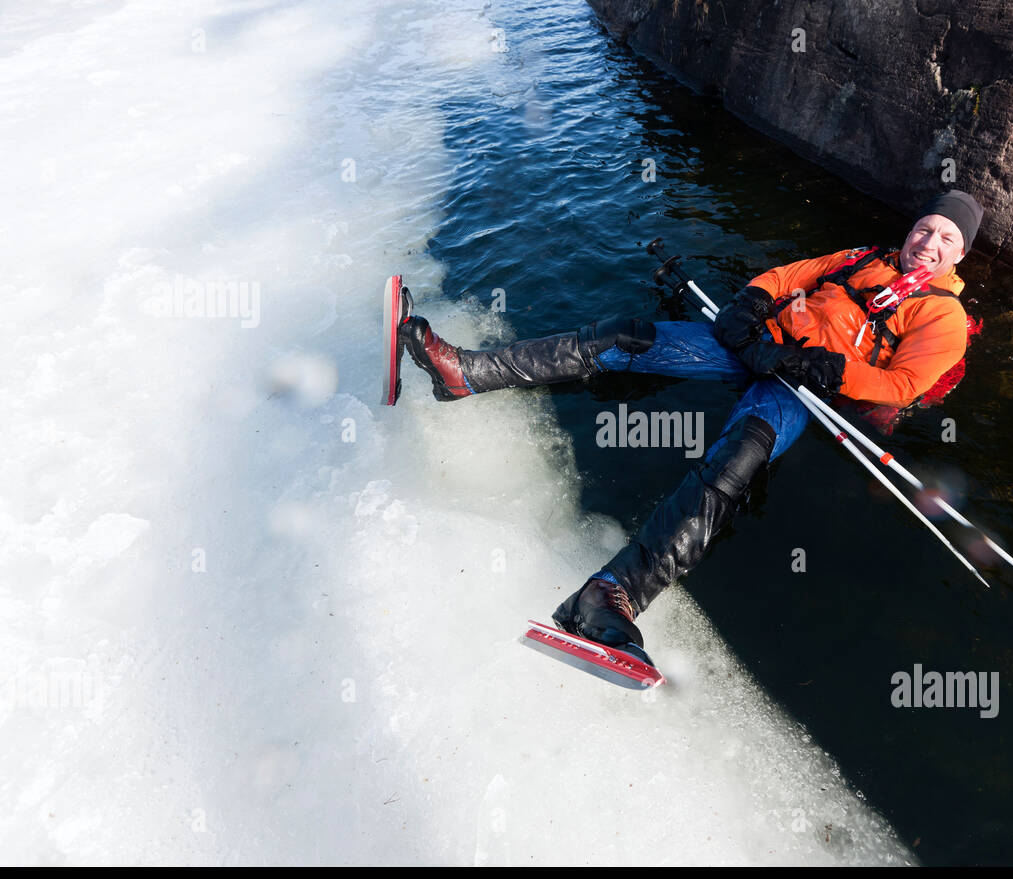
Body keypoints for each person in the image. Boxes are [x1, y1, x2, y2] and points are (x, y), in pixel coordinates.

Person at [394, 190, 983, 666]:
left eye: (947, 238)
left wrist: (818, 365)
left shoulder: (942, 313)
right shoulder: (861, 258)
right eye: (925, 229)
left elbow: (902, 385)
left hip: (805, 387)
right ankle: (465, 372)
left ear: (959, 255)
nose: (929, 243)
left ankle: (611, 595)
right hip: (759, 346)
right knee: (627, 335)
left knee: (735, 462)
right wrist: (747, 307)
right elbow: (786, 277)